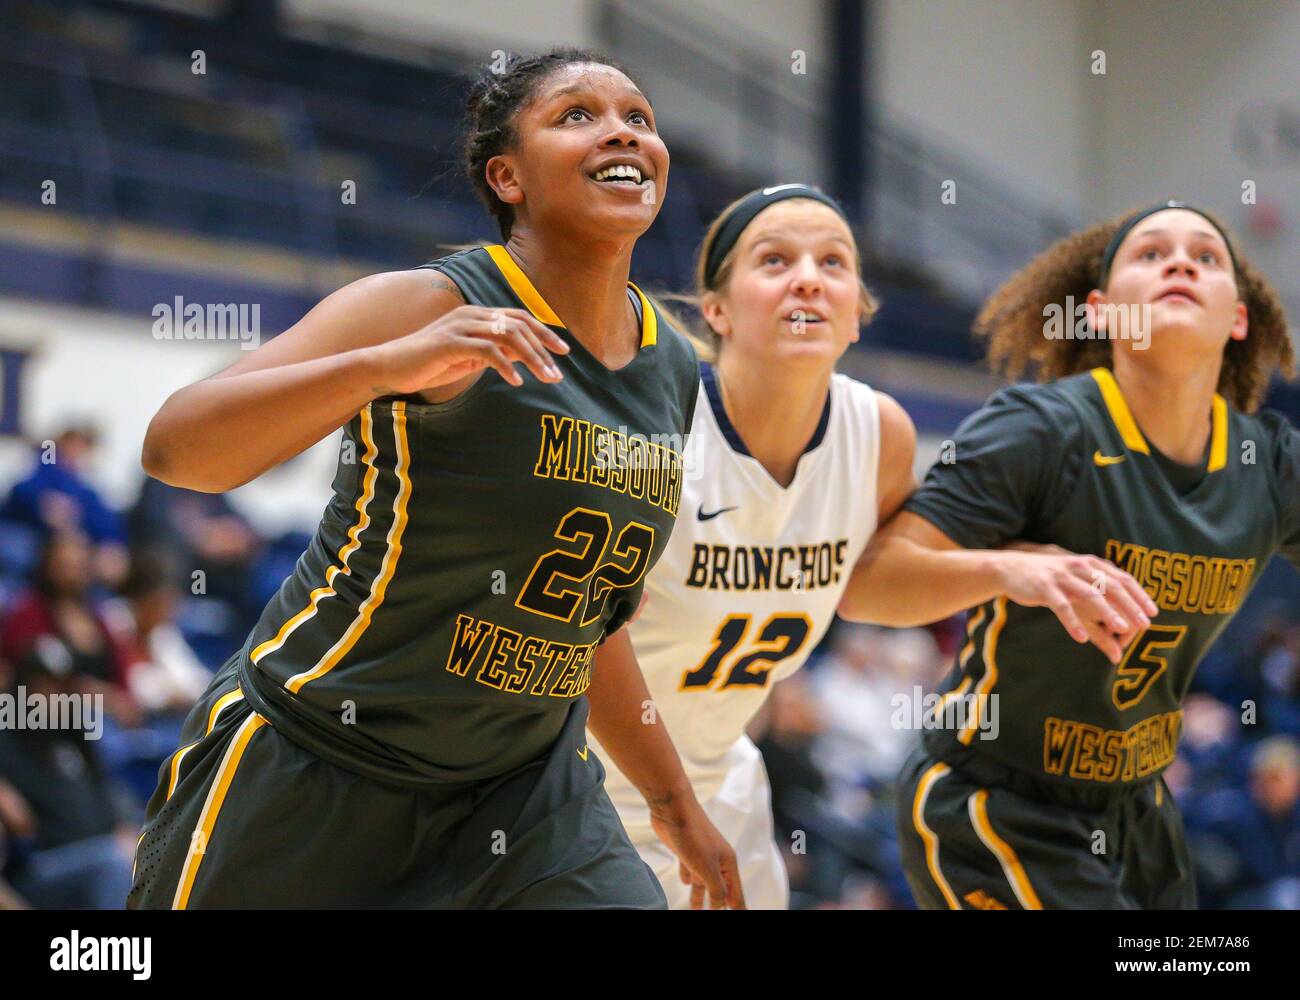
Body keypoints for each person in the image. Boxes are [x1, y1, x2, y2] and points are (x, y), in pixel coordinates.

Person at [128, 49, 739, 909]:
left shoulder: (671, 365)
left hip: (525, 802)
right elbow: (176, 449)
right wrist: (386, 366)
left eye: (638, 116)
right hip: (319, 763)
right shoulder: (429, 304)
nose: (622, 132)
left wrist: (674, 806)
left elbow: (587, 622)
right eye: (577, 115)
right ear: (508, 176)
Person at [586, 184, 1155, 908]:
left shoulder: (877, 430)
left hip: (720, 783)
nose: (807, 277)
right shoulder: (655, 422)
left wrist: (1010, 569)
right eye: (774, 260)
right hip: (583, 783)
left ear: (857, 313)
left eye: (834, 262)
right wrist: (669, 806)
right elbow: (581, 644)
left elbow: (865, 585)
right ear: (719, 310)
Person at [867, 201, 1299, 909]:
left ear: (1239, 318)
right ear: (1099, 312)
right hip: (994, 799)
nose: (1181, 263)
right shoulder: (1042, 430)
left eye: (1207, 256)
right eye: (1151, 254)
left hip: (1139, 811)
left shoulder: (1267, 463)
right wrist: (1013, 569)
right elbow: (871, 586)